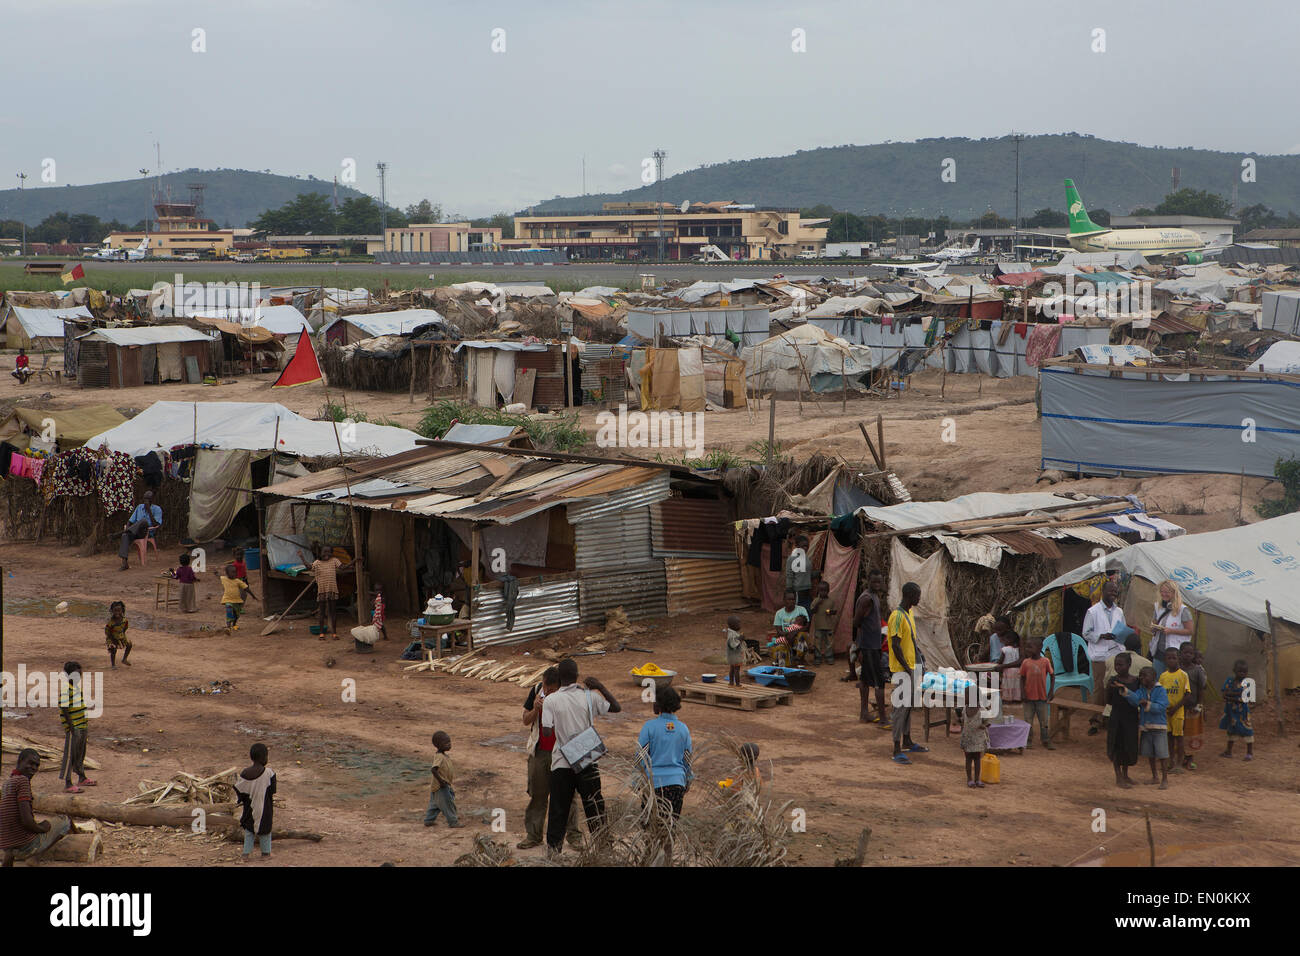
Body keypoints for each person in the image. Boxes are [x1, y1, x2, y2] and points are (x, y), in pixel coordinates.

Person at [543, 659, 620, 856]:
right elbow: (616, 707)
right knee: (594, 805)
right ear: (577, 676)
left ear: (559, 678)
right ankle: (603, 847)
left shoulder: (551, 700)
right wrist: (600, 687)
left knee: (558, 809)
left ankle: (553, 852)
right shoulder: (589, 696)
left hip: (561, 761)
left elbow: (546, 732)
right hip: (587, 757)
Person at [518, 668, 581, 850]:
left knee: (568, 796)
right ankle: (534, 835)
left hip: (562, 753)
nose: (547, 692)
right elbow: (525, 720)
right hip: (540, 753)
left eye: (551, 689)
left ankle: (573, 835)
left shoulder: (569, 696)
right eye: (545, 687)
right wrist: (536, 708)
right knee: (538, 795)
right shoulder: (537, 690)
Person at [2, 750, 71, 867]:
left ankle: (8, 859)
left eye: (36, 765)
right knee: (64, 820)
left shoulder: (8, 782)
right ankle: (35, 857)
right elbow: (26, 821)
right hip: (26, 846)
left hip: (6, 844)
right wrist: (42, 828)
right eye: (30, 763)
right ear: (20, 762)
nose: (34, 768)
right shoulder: (23, 782)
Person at [637, 686, 693, 825]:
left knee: (650, 828)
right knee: (670, 827)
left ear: (659, 704)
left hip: (654, 784)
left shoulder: (649, 727)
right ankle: (669, 847)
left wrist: (636, 781)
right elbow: (687, 759)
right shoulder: (683, 728)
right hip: (677, 784)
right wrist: (688, 780)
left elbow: (640, 757)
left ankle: (650, 848)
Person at [888, 581, 928, 764]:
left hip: (911, 667)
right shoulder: (896, 616)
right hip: (902, 670)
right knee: (899, 710)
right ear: (910, 596)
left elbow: (910, 642)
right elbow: (895, 645)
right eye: (917, 595)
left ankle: (907, 740)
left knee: (908, 707)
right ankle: (896, 749)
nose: (919, 598)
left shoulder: (909, 613)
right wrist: (905, 668)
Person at [1121, 666, 1170, 788]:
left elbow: (1161, 707)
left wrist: (1147, 704)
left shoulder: (1161, 690)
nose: (1142, 678)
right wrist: (1126, 692)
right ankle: (1155, 777)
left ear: (1153, 677)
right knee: (1150, 754)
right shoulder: (1141, 690)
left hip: (1159, 727)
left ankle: (1165, 779)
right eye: (1141, 675)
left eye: (1145, 675)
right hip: (1146, 727)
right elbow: (1135, 700)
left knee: (1162, 754)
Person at [852, 570, 888, 724]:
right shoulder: (866, 599)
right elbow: (856, 622)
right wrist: (861, 643)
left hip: (872, 645)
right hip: (868, 646)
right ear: (868, 581)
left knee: (865, 680)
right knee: (879, 682)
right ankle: (883, 718)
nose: (877, 585)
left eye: (879, 582)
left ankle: (864, 713)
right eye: (874, 582)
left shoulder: (874, 597)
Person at [234, 743, 277, 859]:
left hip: (249, 807)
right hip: (265, 807)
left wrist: (242, 800)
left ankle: (246, 854)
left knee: (249, 831)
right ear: (264, 757)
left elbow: (239, 789)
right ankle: (265, 853)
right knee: (265, 831)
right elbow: (272, 790)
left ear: (251, 757)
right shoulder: (270, 773)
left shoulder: (245, 773)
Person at [1105, 652, 1141, 788]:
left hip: (1131, 718)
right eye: (1116, 665)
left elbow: (1138, 699)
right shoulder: (1113, 681)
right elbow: (1107, 701)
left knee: (1129, 745)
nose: (1117, 667)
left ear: (1129, 665)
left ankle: (1126, 774)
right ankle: (1118, 776)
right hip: (1117, 718)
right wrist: (1108, 689)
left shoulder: (1136, 681)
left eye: (1120, 665)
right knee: (1117, 746)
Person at [58, 662, 95, 794]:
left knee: (80, 752)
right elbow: (64, 708)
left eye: (80, 674)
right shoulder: (66, 689)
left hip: (82, 724)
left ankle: (81, 776)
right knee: (70, 755)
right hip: (74, 727)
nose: (79, 677)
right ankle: (68, 783)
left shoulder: (75, 688)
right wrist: (71, 727)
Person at [1157, 646, 1190, 774]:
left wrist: (1176, 707)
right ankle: (1171, 761)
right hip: (1166, 712)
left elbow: (1187, 694)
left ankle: (1179, 764)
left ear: (1179, 659)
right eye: (1168, 658)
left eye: (1174, 658)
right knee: (1169, 737)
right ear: (1165, 660)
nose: (1171, 660)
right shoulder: (1163, 676)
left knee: (1179, 737)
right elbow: (1159, 693)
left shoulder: (1183, 675)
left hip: (1178, 712)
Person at [1149, 580, 1193, 675]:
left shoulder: (1183, 610)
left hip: (1174, 651)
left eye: (1167, 592)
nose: (1163, 594)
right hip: (1159, 650)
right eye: (1162, 591)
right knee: (1158, 678)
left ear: (1174, 593)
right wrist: (1154, 628)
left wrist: (1171, 631)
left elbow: (1190, 630)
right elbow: (1154, 622)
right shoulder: (1158, 606)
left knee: (1172, 678)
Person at [1019, 637, 1056, 750]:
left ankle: (1045, 739)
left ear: (1039, 648)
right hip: (1028, 697)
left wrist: (1051, 692)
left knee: (1044, 720)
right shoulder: (1026, 662)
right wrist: (1023, 693)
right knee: (1028, 720)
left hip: (1042, 697)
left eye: (1030, 647)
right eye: (1026, 647)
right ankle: (1028, 740)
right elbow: (1022, 678)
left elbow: (1052, 675)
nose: (1027, 649)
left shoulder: (1045, 661)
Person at [1081, 579, 1129, 662]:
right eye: (1110, 591)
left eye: (1115, 591)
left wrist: (1120, 635)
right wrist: (1101, 636)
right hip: (1099, 656)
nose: (1113, 593)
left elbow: (1123, 631)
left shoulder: (1119, 611)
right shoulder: (1092, 611)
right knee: (1100, 675)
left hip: (1117, 656)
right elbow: (1086, 633)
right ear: (1103, 591)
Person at [116, 490, 162, 571]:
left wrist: (149, 511)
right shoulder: (139, 507)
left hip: (147, 532)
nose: (146, 501)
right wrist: (127, 528)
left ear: (152, 500)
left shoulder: (157, 509)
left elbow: (156, 525)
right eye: (145, 499)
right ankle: (124, 563)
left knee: (143, 521)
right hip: (135, 531)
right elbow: (130, 521)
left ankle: (121, 533)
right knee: (125, 535)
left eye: (148, 499)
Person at [424, 731, 462, 828]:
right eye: (446, 743)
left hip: (438, 786)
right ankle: (453, 822)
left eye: (449, 742)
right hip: (441, 786)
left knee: (434, 804)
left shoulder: (444, 756)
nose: (449, 744)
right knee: (448, 803)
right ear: (438, 745)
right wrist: (441, 781)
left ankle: (429, 820)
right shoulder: (440, 757)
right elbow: (433, 769)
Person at [1219, 660, 1254, 760]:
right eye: (1240, 671)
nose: (1242, 674)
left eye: (1244, 672)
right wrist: (1237, 695)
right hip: (1231, 711)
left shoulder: (1248, 683)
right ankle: (1228, 751)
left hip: (1243, 712)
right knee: (1231, 731)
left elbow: (1245, 699)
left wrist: (1231, 695)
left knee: (1247, 731)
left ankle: (1249, 753)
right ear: (1234, 670)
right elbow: (1224, 694)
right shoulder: (1229, 680)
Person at [1180, 643, 1208, 769]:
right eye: (1185, 652)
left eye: (1191, 653)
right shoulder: (1177, 669)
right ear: (1180, 653)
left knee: (1192, 734)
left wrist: (1200, 705)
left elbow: (1201, 689)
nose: (1188, 655)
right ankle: (1179, 757)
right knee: (1179, 732)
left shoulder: (1197, 670)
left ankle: (1190, 758)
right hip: (1179, 707)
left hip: (1192, 707)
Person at [310, 546, 344, 640]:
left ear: (332, 553)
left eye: (329, 552)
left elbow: (343, 567)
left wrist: (355, 561)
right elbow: (309, 567)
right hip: (322, 591)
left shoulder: (334, 561)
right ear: (320, 553)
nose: (327, 554)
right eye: (324, 552)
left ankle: (334, 633)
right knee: (322, 613)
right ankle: (321, 633)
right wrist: (302, 558)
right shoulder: (317, 563)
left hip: (332, 590)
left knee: (333, 612)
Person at [808, 580, 837, 665]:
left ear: (828, 591)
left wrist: (831, 612)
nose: (822, 592)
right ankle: (818, 657)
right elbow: (812, 611)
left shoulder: (831, 601)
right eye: (821, 590)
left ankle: (829, 657)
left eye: (824, 590)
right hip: (819, 626)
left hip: (828, 626)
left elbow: (835, 611)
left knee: (829, 643)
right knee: (817, 643)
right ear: (818, 591)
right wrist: (818, 603)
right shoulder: (815, 600)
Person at [220, 564, 257, 630]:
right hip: (227, 599)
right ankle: (228, 626)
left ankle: (234, 625)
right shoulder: (224, 579)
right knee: (229, 609)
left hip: (237, 601)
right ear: (227, 573)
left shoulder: (238, 581)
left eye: (235, 572)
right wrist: (216, 573)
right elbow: (218, 576)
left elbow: (246, 588)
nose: (235, 573)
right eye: (232, 572)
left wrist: (253, 596)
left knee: (236, 615)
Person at [960, 705, 989, 788]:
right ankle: (969, 779)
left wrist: (982, 726)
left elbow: (987, 722)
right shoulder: (965, 709)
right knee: (969, 758)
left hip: (977, 738)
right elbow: (962, 720)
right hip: (968, 738)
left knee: (976, 758)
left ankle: (976, 779)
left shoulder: (982, 709)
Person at [785, 534, 812, 612]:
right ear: (797, 545)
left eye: (807, 546)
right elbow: (789, 575)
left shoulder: (806, 557)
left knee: (806, 613)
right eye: (803, 546)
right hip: (798, 592)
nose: (806, 548)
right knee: (798, 614)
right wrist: (789, 591)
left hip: (807, 590)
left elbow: (807, 573)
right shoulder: (792, 558)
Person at [995, 630, 1022, 704]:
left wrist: (997, 665)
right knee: (1016, 684)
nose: (1003, 641)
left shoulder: (1005, 649)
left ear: (1009, 640)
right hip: (1017, 670)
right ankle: (1016, 698)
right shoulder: (1018, 649)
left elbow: (1001, 660)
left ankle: (1008, 698)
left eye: (1005, 639)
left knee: (1007, 684)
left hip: (1008, 670)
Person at [104, 600, 132, 668]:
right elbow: (107, 632)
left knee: (129, 644)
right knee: (113, 649)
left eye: (119, 610)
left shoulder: (124, 620)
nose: (117, 612)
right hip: (112, 638)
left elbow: (125, 628)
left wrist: (122, 635)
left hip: (121, 636)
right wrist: (112, 641)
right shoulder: (110, 623)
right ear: (112, 611)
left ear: (122, 610)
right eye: (115, 611)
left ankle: (124, 659)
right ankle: (113, 665)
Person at [724, 615, 745, 687]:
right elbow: (733, 644)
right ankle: (738, 684)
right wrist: (740, 639)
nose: (740, 625)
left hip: (732, 655)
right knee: (736, 669)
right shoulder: (732, 634)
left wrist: (739, 638)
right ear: (732, 625)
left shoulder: (732, 632)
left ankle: (731, 682)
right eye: (738, 623)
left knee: (732, 669)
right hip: (735, 655)